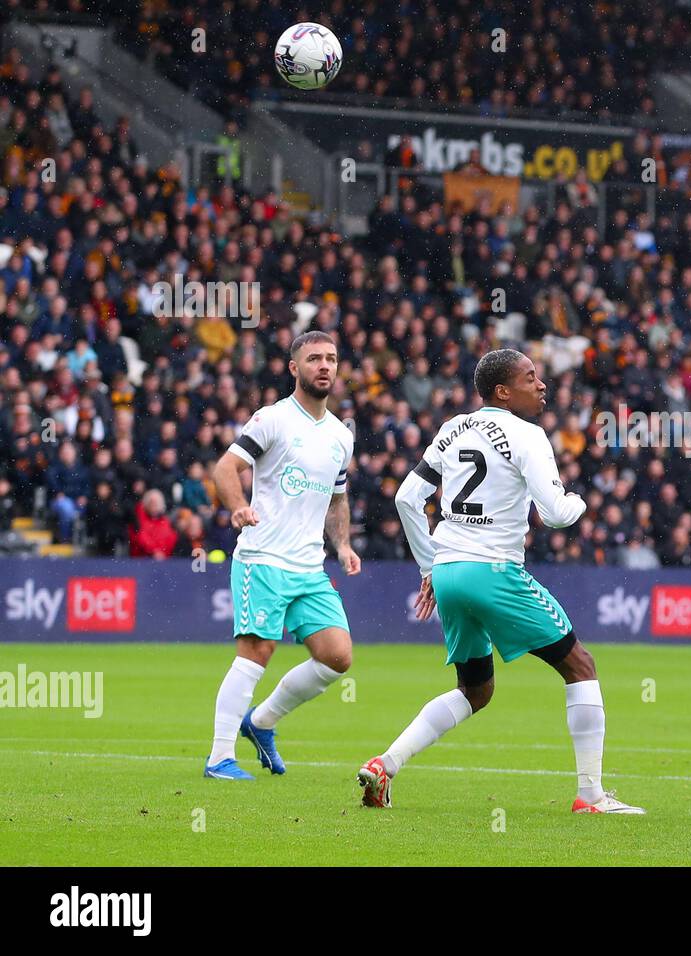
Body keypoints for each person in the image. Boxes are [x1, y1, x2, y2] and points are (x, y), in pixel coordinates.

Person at [360, 349, 643, 815]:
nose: (542, 384)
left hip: (449, 572)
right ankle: (591, 797)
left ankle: (385, 765)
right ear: (502, 392)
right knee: (581, 665)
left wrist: (430, 566)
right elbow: (554, 515)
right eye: (530, 377)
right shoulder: (529, 436)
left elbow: (408, 498)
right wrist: (580, 503)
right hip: (493, 570)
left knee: (476, 690)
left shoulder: (453, 428)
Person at [203, 330, 359, 780]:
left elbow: (336, 498)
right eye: (314, 359)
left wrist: (343, 544)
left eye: (331, 358)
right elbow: (225, 467)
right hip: (263, 558)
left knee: (337, 656)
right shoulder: (272, 419)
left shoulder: (339, 436)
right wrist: (238, 506)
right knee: (257, 651)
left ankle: (262, 722)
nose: (324, 366)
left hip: (310, 566)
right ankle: (219, 757)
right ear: (295, 368)